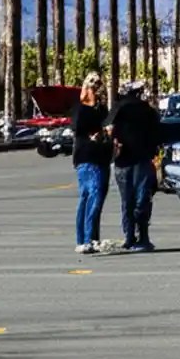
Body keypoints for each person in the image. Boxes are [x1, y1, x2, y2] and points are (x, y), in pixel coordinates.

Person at [106, 81, 161, 251]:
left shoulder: (117, 108)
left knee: (127, 200)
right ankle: (142, 236)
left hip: (124, 162)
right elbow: (158, 132)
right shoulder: (148, 111)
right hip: (142, 160)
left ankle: (129, 236)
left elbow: (108, 129)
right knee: (142, 199)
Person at [72, 72, 112, 254]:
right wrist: (94, 136)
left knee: (97, 198)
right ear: (87, 89)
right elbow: (79, 130)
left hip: (102, 157)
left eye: (99, 86)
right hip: (87, 157)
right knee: (90, 195)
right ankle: (84, 239)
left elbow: (106, 128)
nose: (97, 90)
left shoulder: (102, 111)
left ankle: (92, 238)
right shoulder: (81, 110)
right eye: (94, 86)